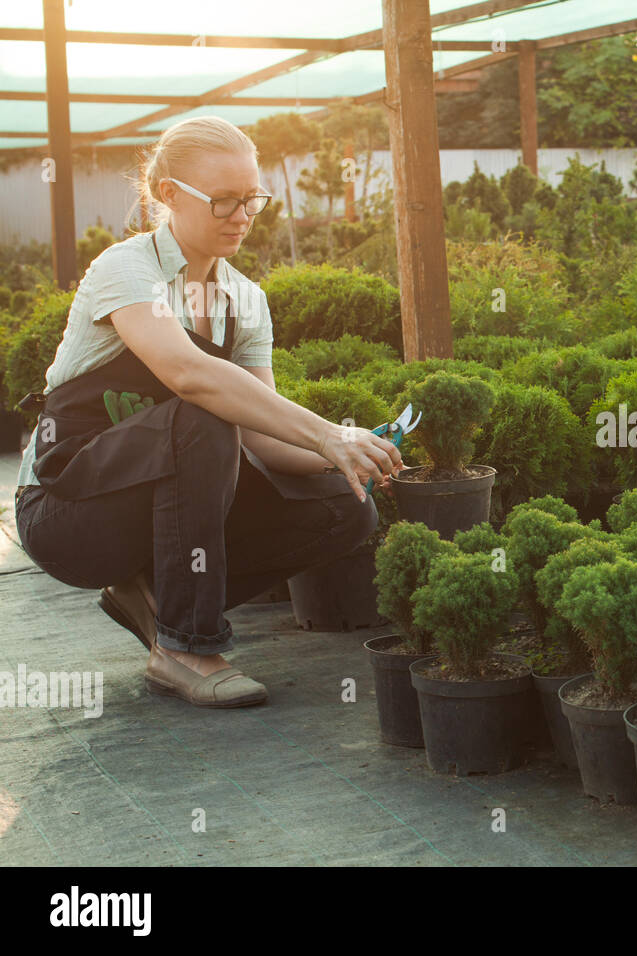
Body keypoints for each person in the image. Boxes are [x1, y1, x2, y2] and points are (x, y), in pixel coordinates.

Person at [12, 115, 404, 708]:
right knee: (201, 412)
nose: (243, 216)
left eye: (252, 200)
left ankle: (155, 599)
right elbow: (189, 375)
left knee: (344, 509)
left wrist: (354, 452)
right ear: (169, 195)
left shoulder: (245, 300)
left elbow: (262, 438)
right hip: (69, 510)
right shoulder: (127, 269)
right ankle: (185, 647)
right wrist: (326, 434)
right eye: (224, 201)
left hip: (162, 513)